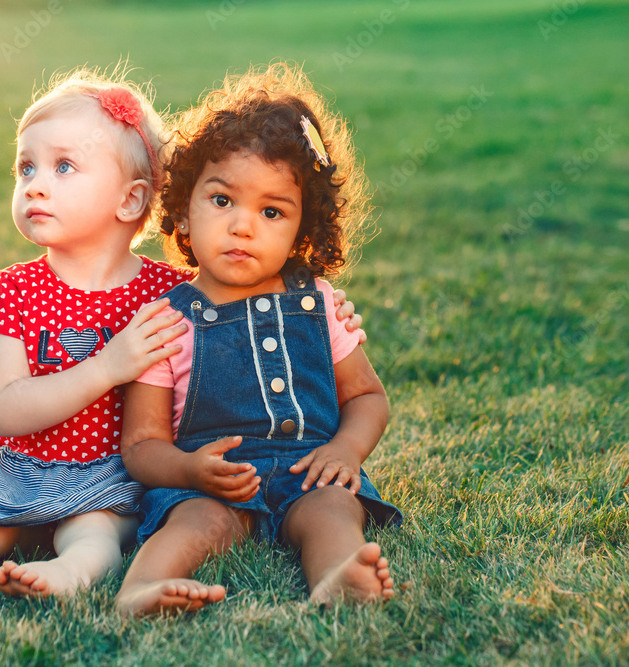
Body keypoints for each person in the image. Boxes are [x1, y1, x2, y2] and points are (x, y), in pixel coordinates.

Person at [0, 67, 367, 605]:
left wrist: (326, 310)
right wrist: (108, 365)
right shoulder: (14, 290)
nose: (35, 183)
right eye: (25, 167)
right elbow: (8, 412)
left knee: (96, 538)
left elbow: (238, 300)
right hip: (23, 469)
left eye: (63, 166)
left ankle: (64, 577)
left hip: (109, 484)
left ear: (132, 201)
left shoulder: (166, 292)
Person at [116, 63, 403, 617]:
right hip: (208, 483)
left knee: (332, 510)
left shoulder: (318, 304)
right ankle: (142, 588)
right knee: (197, 521)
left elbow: (368, 396)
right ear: (182, 206)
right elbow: (141, 446)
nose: (243, 226)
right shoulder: (165, 321)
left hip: (307, 471)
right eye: (222, 201)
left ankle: (338, 576)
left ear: (304, 228)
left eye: (271, 211)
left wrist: (345, 450)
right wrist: (190, 471)